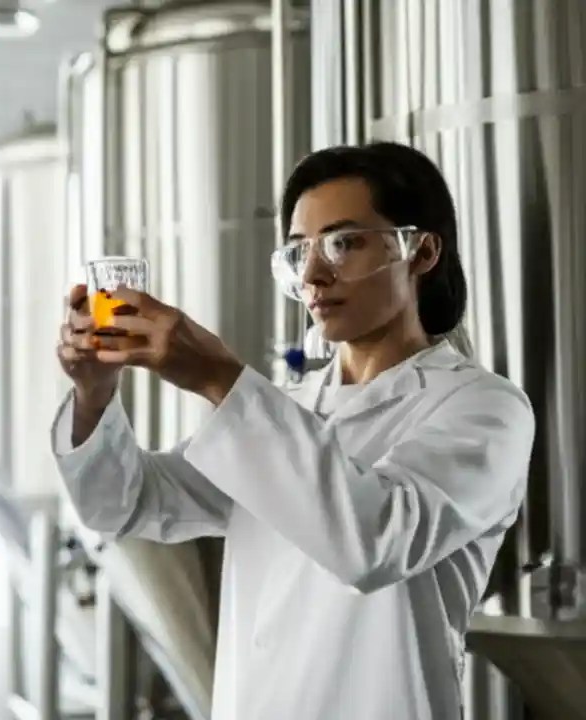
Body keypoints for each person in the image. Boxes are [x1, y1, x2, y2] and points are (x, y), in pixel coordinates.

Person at [52, 142, 535, 720]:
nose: (312, 274)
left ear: (421, 250)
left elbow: (372, 542)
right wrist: (94, 392)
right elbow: (123, 504)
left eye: (344, 242)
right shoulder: (286, 410)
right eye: (300, 250)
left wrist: (218, 377)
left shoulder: (484, 408)